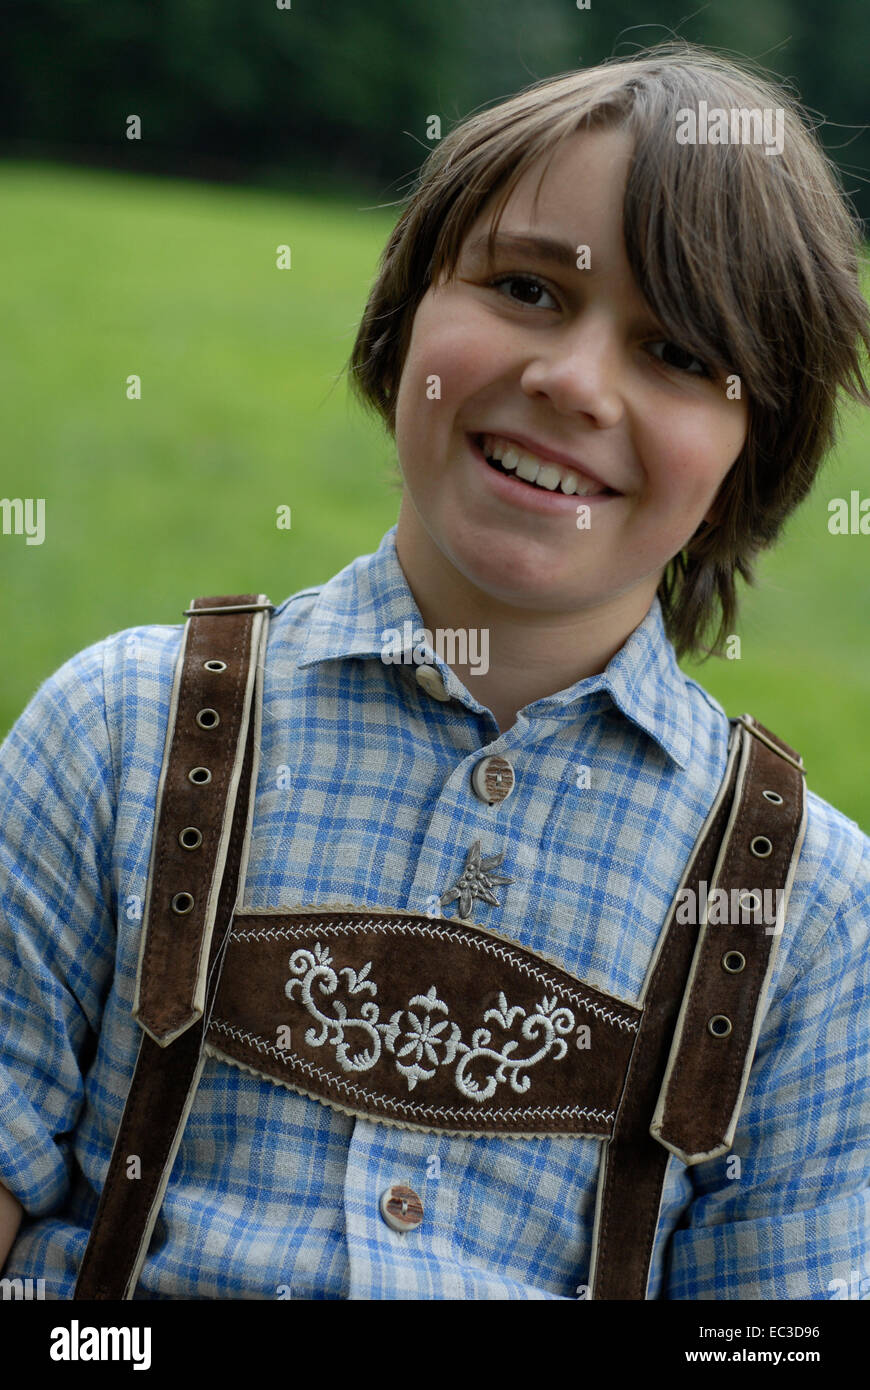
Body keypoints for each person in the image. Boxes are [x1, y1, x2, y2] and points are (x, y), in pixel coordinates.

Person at [1, 41, 868, 1301]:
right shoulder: (120, 729)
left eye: (680, 354)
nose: (572, 381)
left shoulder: (807, 912)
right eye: (526, 288)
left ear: (759, 450)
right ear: (406, 308)